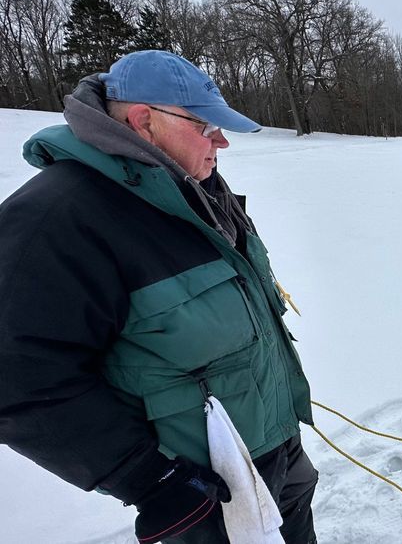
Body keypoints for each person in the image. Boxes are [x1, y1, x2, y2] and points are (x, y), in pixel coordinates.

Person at [0, 50, 318, 543]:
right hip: (204, 497)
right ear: (144, 121)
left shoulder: (197, 190)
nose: (223, 142)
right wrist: (151, 479)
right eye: (206, 127)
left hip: (277, 460)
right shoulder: (57, 219)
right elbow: (17, 378)